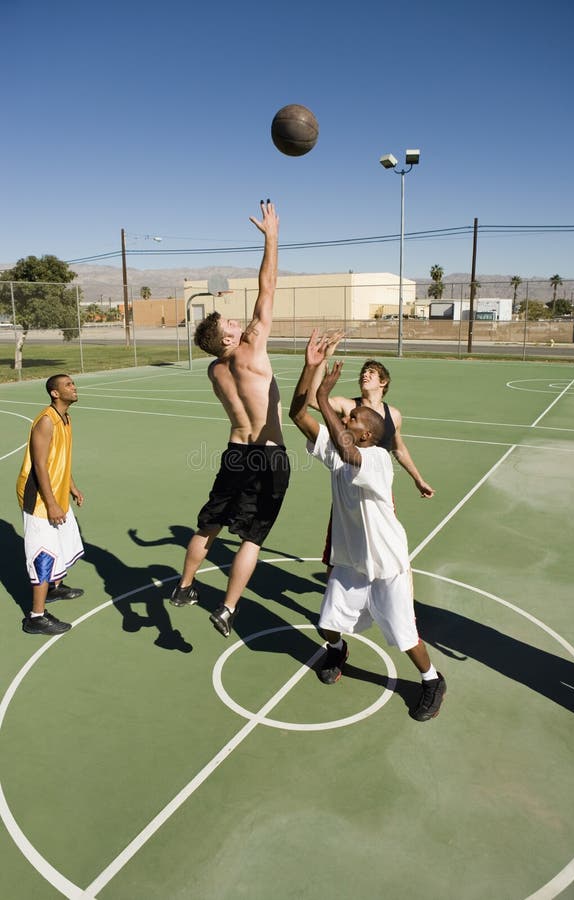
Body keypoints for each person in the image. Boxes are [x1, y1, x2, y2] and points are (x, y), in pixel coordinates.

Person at [289, 331, 446, 721]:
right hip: (350, 561)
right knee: (327, 625)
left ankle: (431, 680)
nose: (347, 416)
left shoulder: (375, 460)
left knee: (404, 635)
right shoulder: (339, 451)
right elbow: (297, 415)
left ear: (369, 435)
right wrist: (310, 368)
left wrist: (325, 397)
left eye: (353, 418)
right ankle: (337, 650)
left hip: (387, 563)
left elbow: (345, 447)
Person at [170, 200, 290, 638]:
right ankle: (227, 608)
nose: (239, 320)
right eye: (230, 321)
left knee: (209, 523)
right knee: (252, 538)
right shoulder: (251, 347)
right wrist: (272, 237)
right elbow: (269, 286)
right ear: (226, 336)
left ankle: (184, 587)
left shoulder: (213, 369)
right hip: (268, 454)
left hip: (235, 454)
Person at [307, 336, 434, 568]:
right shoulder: (348, 406)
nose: (365, 374)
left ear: (383, 382)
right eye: (363, 372)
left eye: (372, 372)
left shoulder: (393, 414)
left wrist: (418, 479)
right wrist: (323, 358)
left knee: (384, 547)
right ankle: (335, 594)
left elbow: (399, 448)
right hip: (348, 486)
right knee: (337, 551)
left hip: (377, 490)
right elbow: (315, 400)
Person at [16, 374, 85, 635]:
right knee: (43, 554)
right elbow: (40, 465)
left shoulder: (65, 418)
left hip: (56, 494)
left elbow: (60, 460)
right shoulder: (46, 421)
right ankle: (36, 617)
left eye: (73, 383)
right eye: (68, 385)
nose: (74, 387)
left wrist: (71, 487)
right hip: (39, 500)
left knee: (65, 542)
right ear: (55, 393)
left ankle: (55, 588)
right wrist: (52, 503)